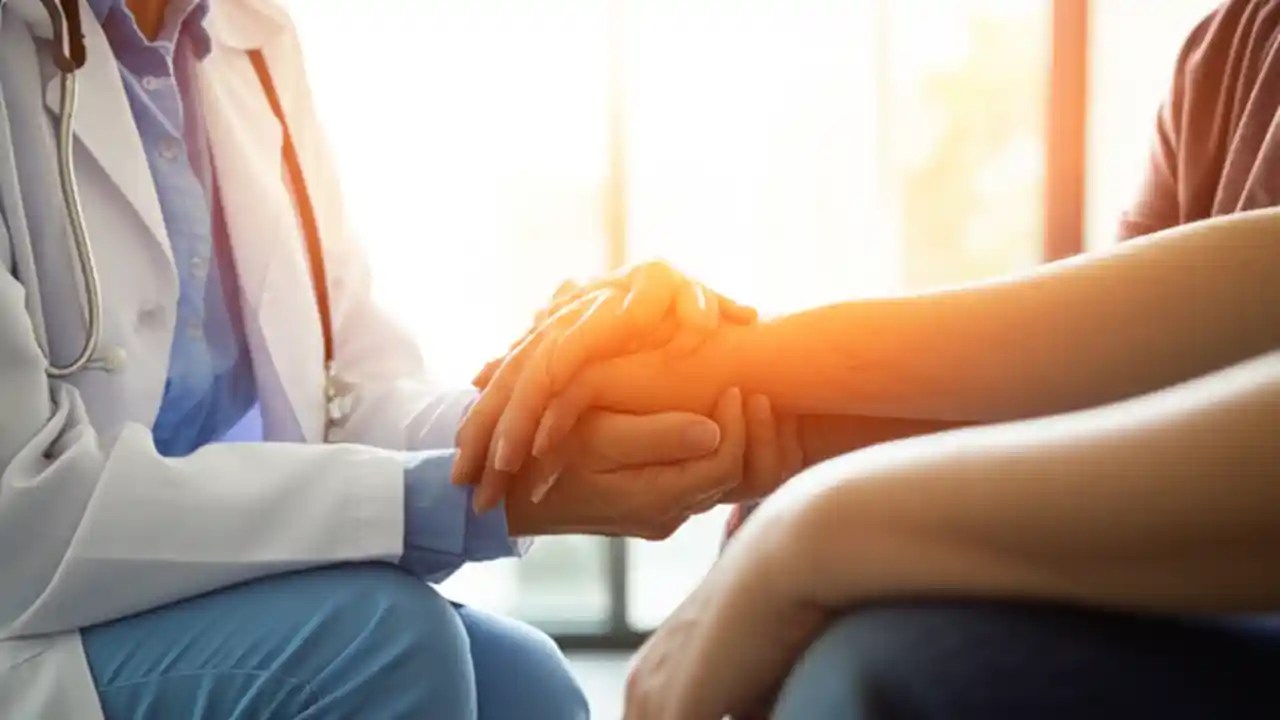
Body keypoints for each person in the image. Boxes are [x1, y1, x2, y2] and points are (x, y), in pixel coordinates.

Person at [455, 1, 1280, 717]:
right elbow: (1114, 389)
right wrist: (734, 384)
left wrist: (812, 531)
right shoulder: (1230, 51)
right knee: (781, 520)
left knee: (891, 668)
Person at [0, 1, 801, 718]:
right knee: (386, 645)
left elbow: (350, 392)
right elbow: (23, 521)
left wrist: (545, 415)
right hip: (33, 627)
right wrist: (477, 499)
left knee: (530, 689)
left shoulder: (252, 37)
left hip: (212, 589)